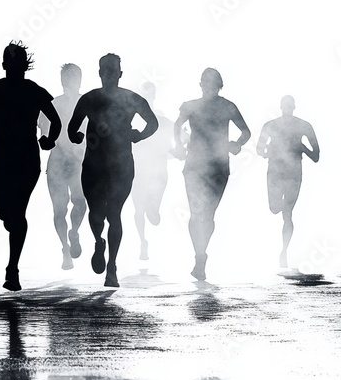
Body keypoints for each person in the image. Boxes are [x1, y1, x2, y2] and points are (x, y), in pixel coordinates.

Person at [0, 42, 61, 292]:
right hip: (3, 160)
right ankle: (12, 265)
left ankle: (12, 269)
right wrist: (49, 139)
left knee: (16, 215)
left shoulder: (27, 91)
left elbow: (55, 121)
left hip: (21, 161)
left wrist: (50, 140)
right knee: (8, 215)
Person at [68, 54, 158, 288]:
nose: (109, 74)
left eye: (113, 70)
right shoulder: (89, 99)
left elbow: (153, 123)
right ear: (100, 73)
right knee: (97, 213)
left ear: (120, 73)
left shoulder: (131, 99)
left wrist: (138, 135)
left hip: (120, 165)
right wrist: (76, 136)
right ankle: (99, 242)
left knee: (114, 214)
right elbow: (71, 129)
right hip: (94, 166)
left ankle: (112, 267)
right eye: (106, 70)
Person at [172, 68, 250, 282]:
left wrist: (236, 143)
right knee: (196, 213)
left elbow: (246, 132)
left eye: (213, 83)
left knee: (208, 215)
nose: (209, 87)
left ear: (219, 85)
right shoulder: (191, 106)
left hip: (218, 166)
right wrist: (178, 145)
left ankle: (201, 255)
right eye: (205, 83)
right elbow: (177, 125)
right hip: (194, 165)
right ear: (200, 85)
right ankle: (199, 256)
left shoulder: (228, 107)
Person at [256, 96, 320, 270]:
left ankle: (284, 251)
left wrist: (301, 147)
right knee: (274, 208)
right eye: (285, 106)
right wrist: (268, 151)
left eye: (289, 106)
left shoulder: (304, 126)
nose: (287, 109)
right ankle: (283, 248)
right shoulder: (270, 126)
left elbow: (316, 156)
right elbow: (259, 149)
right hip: (275, 172)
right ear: (280, 107)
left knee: (287, 213)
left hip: (294, 173)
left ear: (294, 107)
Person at [42, 63, 87, 270]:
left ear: (79, 79)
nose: (70, 81)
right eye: (67, 77)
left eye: (74, 77)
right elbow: (44, 134)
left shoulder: (87, 104)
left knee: (80, 204)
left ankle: (74, 232)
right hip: (58, 162)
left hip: (79, 162)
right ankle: (65, 250)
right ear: (62, 81)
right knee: (59, 210)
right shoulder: (52, 104)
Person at [131, 82, 175, 261]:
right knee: (139, 210)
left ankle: (154, 210)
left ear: (155, 96)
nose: (149, 98)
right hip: (139, 169)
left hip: (158, 168)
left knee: (153, 215)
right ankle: (143, 242)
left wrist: (176, 150)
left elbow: (174, 136)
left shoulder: (162, 118)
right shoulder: (133, 118)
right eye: (145, 95)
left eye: (151, 94)